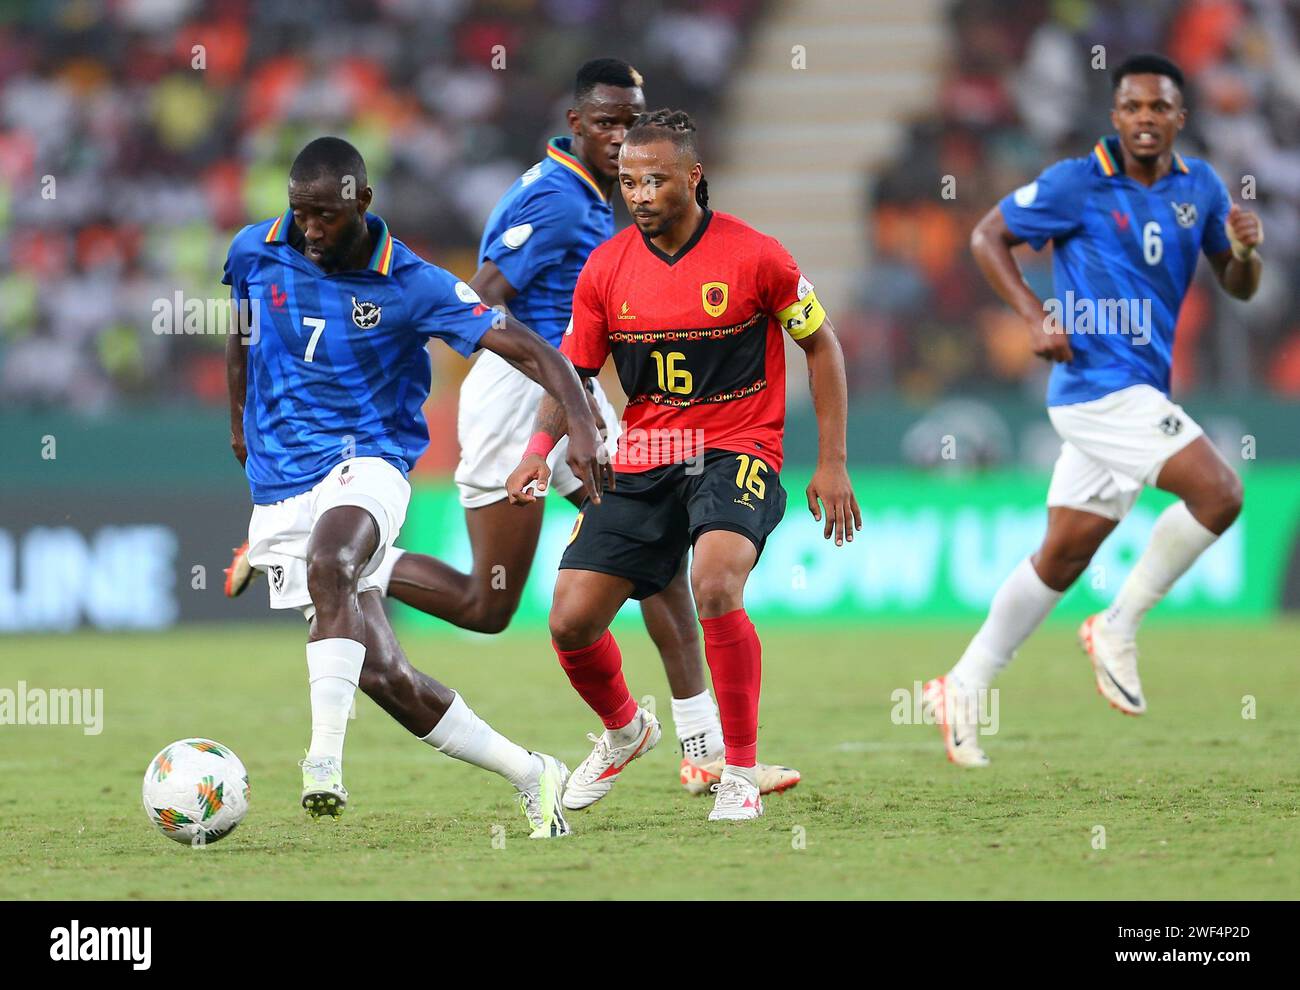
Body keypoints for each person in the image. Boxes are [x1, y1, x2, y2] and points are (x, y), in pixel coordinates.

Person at [226, 60, 801, 798]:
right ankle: (327, 556)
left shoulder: (597, 196)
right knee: (488, 603)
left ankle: (699, 746)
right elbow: (484, 297)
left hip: (569, 384)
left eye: (635, 120)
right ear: (577, 126)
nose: (625, 137)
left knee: (651, 546)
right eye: (609, 123)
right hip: (523, 390)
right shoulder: (560, 201)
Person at [223, 136, 607, 836]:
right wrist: (237, 425)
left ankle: (323, 763)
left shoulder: (414, 283)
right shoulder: (256, 248)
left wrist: (577, 424)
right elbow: (242, 328)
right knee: (381, 674)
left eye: (325, 217)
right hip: (279, 480)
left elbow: (528, 346)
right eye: (300, 213)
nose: (310, 230)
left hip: (368, 461)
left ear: (362, 202)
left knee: (332, 559)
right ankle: (534, 772)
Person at [506, 109, 860, 821]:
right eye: (629, 182)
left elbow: (821, 347)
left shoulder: (757, 257)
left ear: (693, 178)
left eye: (655, 180)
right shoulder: (606, 268)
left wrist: (833, 462)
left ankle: (738, 770)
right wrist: (537, 450)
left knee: (716, 581)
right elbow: (573, 372)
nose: (639, 195)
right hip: (643, 456)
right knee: (570, 621)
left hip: (737, 449)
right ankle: (625, 729)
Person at [923, 54, 1263, 767]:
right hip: (1095, 388)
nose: (1145, 118)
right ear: (1116, 115)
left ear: (1179, 117)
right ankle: (1118, 624)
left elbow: (1237, 286)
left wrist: (1243, 252)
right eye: (1132, 106)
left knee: (1064, 553)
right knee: (1221, 493)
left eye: (1159, 107)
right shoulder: (1077, 182)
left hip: (1139, 388)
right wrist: (1033, 314)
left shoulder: (1197, 187)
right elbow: (988, 235)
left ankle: (962, 686)